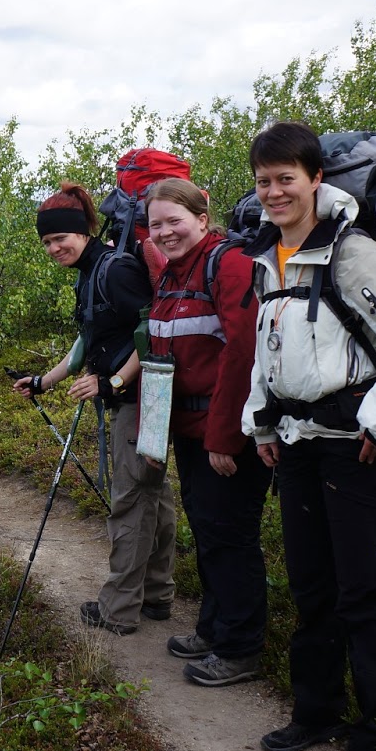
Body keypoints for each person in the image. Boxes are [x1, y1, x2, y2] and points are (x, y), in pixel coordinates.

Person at [239, 121, 376, 751]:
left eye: (286, 179)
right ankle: (316, 711)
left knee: (363, 592)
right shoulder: (268, 255)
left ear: (315, 178)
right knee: (311, 586)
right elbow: (269, 351)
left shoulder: (351, 253)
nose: (274, 192)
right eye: (264, 181)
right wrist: (260, 422)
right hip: (298, 443)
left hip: (355, 448)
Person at [13, 183, 177, 634]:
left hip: (141, 400)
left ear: (83, 231)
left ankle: (119, 609)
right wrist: (42, 382)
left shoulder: (115, 270)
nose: (54, 248)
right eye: (46, 242)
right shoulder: (92, 272)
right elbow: (88, 339)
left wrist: (112, 382)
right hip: (139, 399)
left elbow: (155, 332)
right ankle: (157, 594)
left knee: (131, 500)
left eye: (60, 238)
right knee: (152, 494)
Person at [143, 178, 270, 687]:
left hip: (228, 433)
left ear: (201, 218)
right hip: (192, 431)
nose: (165, 232)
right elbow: (162, 362)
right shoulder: (173, 275)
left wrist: (224, 437)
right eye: (155, 224)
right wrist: (156, 436)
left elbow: (245, 356)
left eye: (174, 220)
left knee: (230, 535)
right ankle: (214, 628)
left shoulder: (228, 265)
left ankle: (240, 648)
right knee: (209, 531)